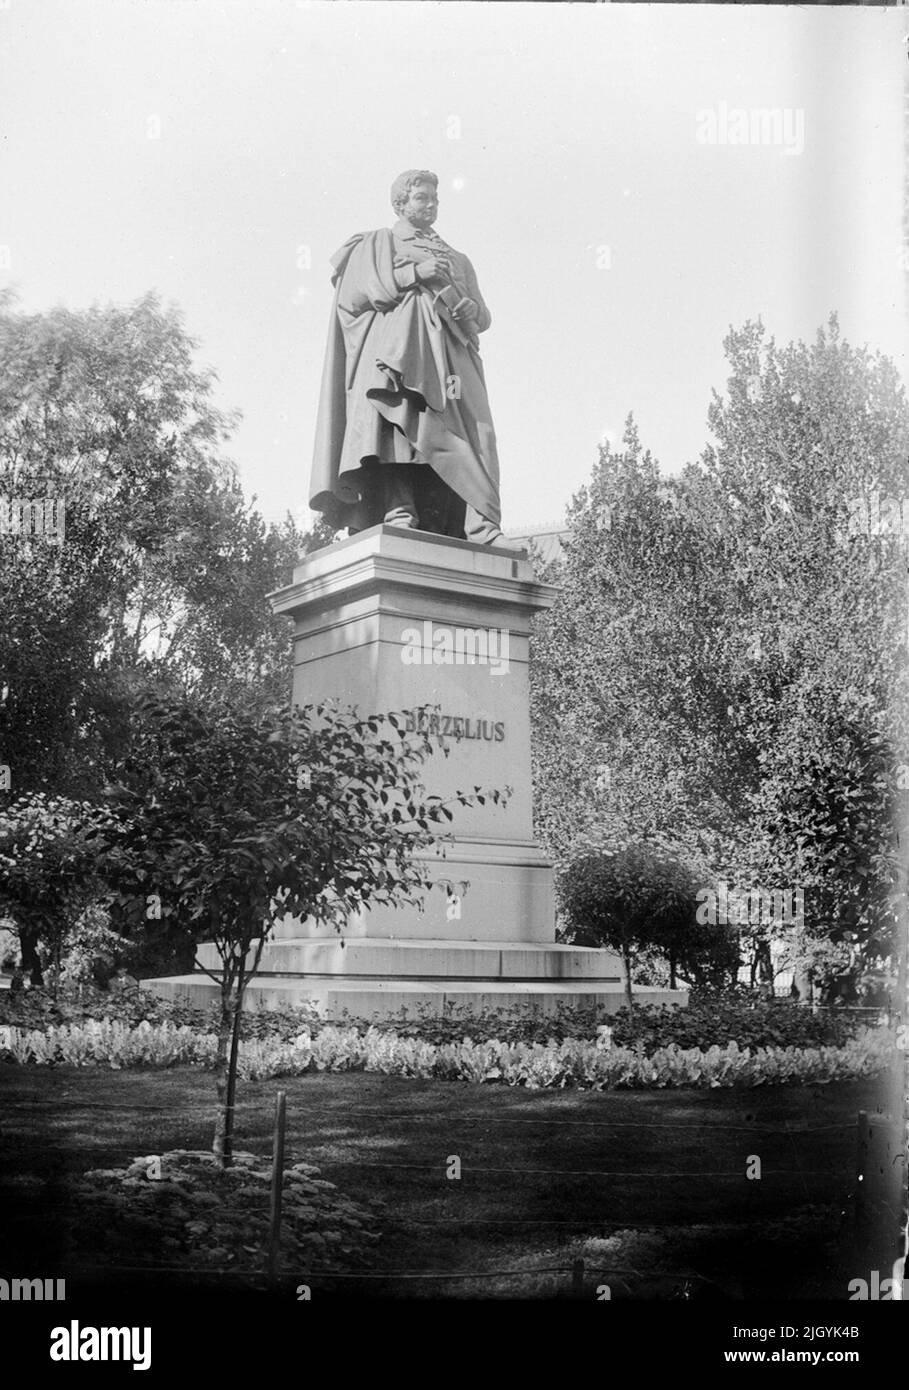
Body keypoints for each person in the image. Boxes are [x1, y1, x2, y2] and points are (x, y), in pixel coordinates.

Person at [309, 169, 521, 548]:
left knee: (475, 436)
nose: (431, 204)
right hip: (401, 352)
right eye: (422, 197)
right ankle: (399, 513)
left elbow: (484, 318)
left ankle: (483, 527)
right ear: (400, 204)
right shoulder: (379, 243)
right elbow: (353, 296)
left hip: (454, 358)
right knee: (400, 426)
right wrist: (414, 274)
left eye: (435, 198)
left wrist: (472, 311)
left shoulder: (459, 259)